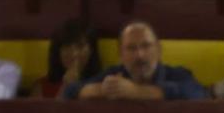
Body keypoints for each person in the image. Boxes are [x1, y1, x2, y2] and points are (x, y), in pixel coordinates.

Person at [64, 21, 207, 100]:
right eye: (131, 48)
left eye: (146, 46)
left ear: (158, 49)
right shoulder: (113, 74)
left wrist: (136, 91)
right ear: (120, 53)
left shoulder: (177, 74)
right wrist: (100, 90)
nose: (140, 55)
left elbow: (197, 94)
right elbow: (69, 92)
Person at [30, 19, 101, 99]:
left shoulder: (102, 84)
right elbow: (44, 111)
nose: (74, 54)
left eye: (80, 46)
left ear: (91, 50)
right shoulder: (41, 86)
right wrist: (66, 87)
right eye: (67, 47)